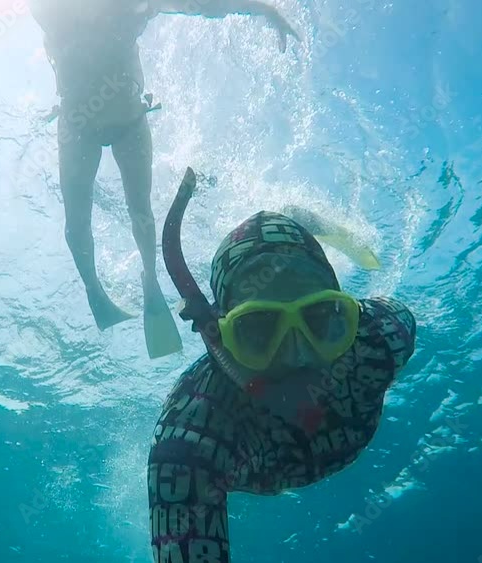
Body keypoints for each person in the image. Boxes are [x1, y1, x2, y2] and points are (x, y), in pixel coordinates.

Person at [148, 169, 417, 562]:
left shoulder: (381, 334)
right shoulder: (193, 434)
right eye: (259, 329)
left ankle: (294, 223)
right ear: (221, 337)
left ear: (347, 315)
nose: (297, 354)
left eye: (321, 318)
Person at [29, 0, 298, 358]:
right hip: (77, 128)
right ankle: (95, 291)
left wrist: (262, 9)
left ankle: (150, 278)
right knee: (77, 222)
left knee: (140, 210)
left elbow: (203, 5)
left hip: (130, 124)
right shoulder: (52, 10)